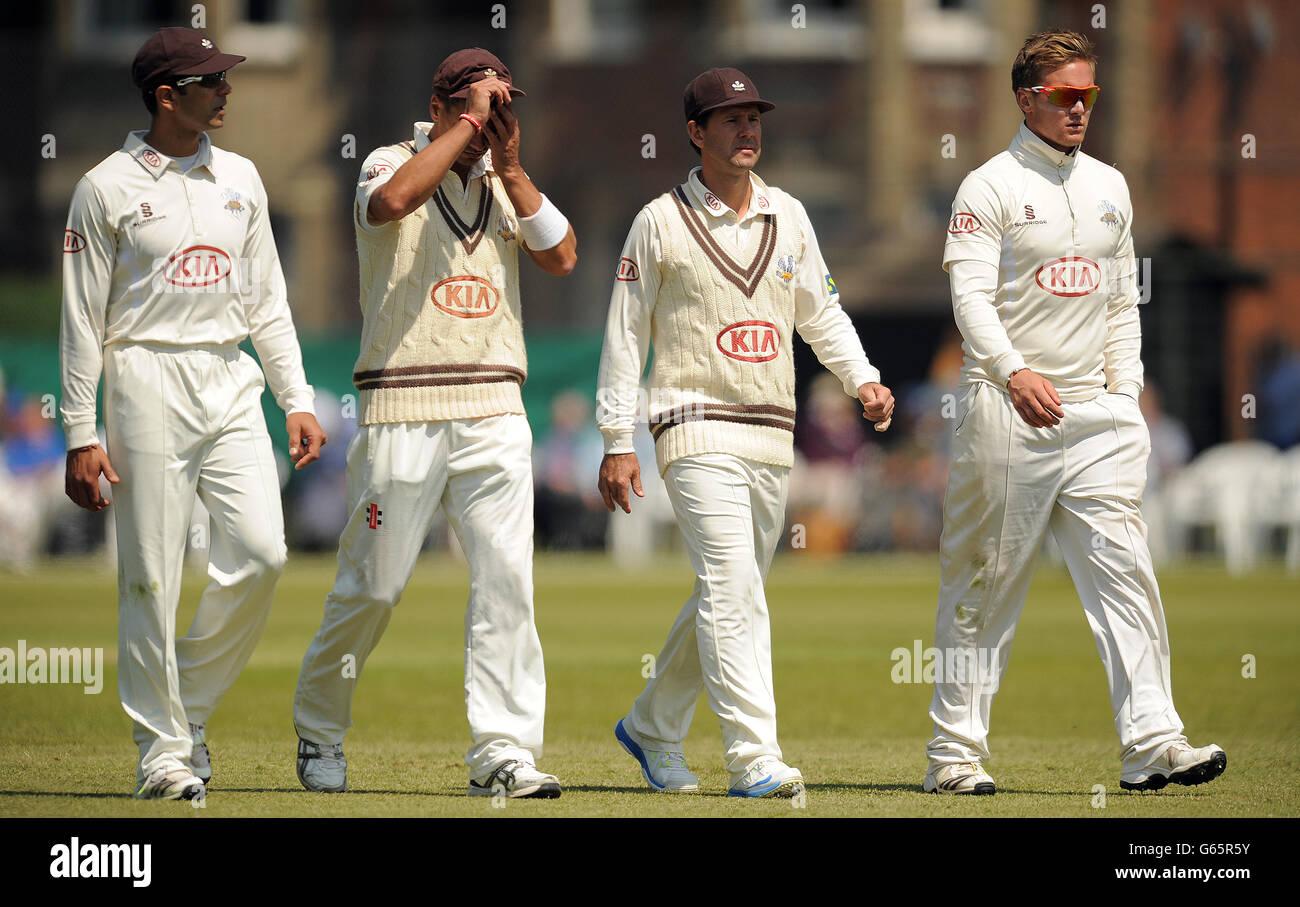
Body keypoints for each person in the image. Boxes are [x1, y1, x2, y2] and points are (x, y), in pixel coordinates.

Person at [926, 30, 1225, 795]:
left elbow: (1124, 301)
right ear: (1027, 100)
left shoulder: (1111, 187)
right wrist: (1011, 370)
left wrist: (1125, 394)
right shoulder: (987, 187)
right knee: (982, 583)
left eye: (1089, 95)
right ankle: (953, 756)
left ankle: (1153, 744)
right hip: (1004, 411)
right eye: (1065, 96)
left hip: (1097, 414)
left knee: (1127, 575)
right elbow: (969, 298)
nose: (1079, 109)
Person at [597, 67, 893, 797]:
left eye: (753, 117)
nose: (747, 130)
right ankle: (754, 756)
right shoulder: (658, 220)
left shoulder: (789, 214)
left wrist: (862, 378)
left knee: (725, 593)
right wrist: (614, 437)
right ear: (696, 133)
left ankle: (653, 724)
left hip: (770, 430)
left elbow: (820, 311)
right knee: (733, 587)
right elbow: (625, 334)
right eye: (729, 120)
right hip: (691, 424)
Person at [293, 48, 576, 799]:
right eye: (481, 104)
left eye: (502, 104)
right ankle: (319, 726)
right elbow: (390, 205)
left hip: (495, 410)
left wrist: (511, 164)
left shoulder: (502, 177)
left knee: (507, 582)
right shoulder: (388, 159)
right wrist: (466, 129)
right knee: (374, 585)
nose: (493, 120)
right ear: (440, 103)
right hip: (401, 409)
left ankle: (504, 749)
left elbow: (565, 256)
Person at [61, 27, 325, 801]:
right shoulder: (103, 186)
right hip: (144, 376)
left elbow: (267, 299)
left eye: (225, 77)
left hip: (229, 375)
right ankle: (162, 756)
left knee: (262, 553)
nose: (226, 90)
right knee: (150, 575)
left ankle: (189, 705)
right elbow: (81, 320)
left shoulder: (240, 176)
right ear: (166, 96)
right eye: (210, 80)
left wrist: (297, 397)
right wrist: (81, 432)